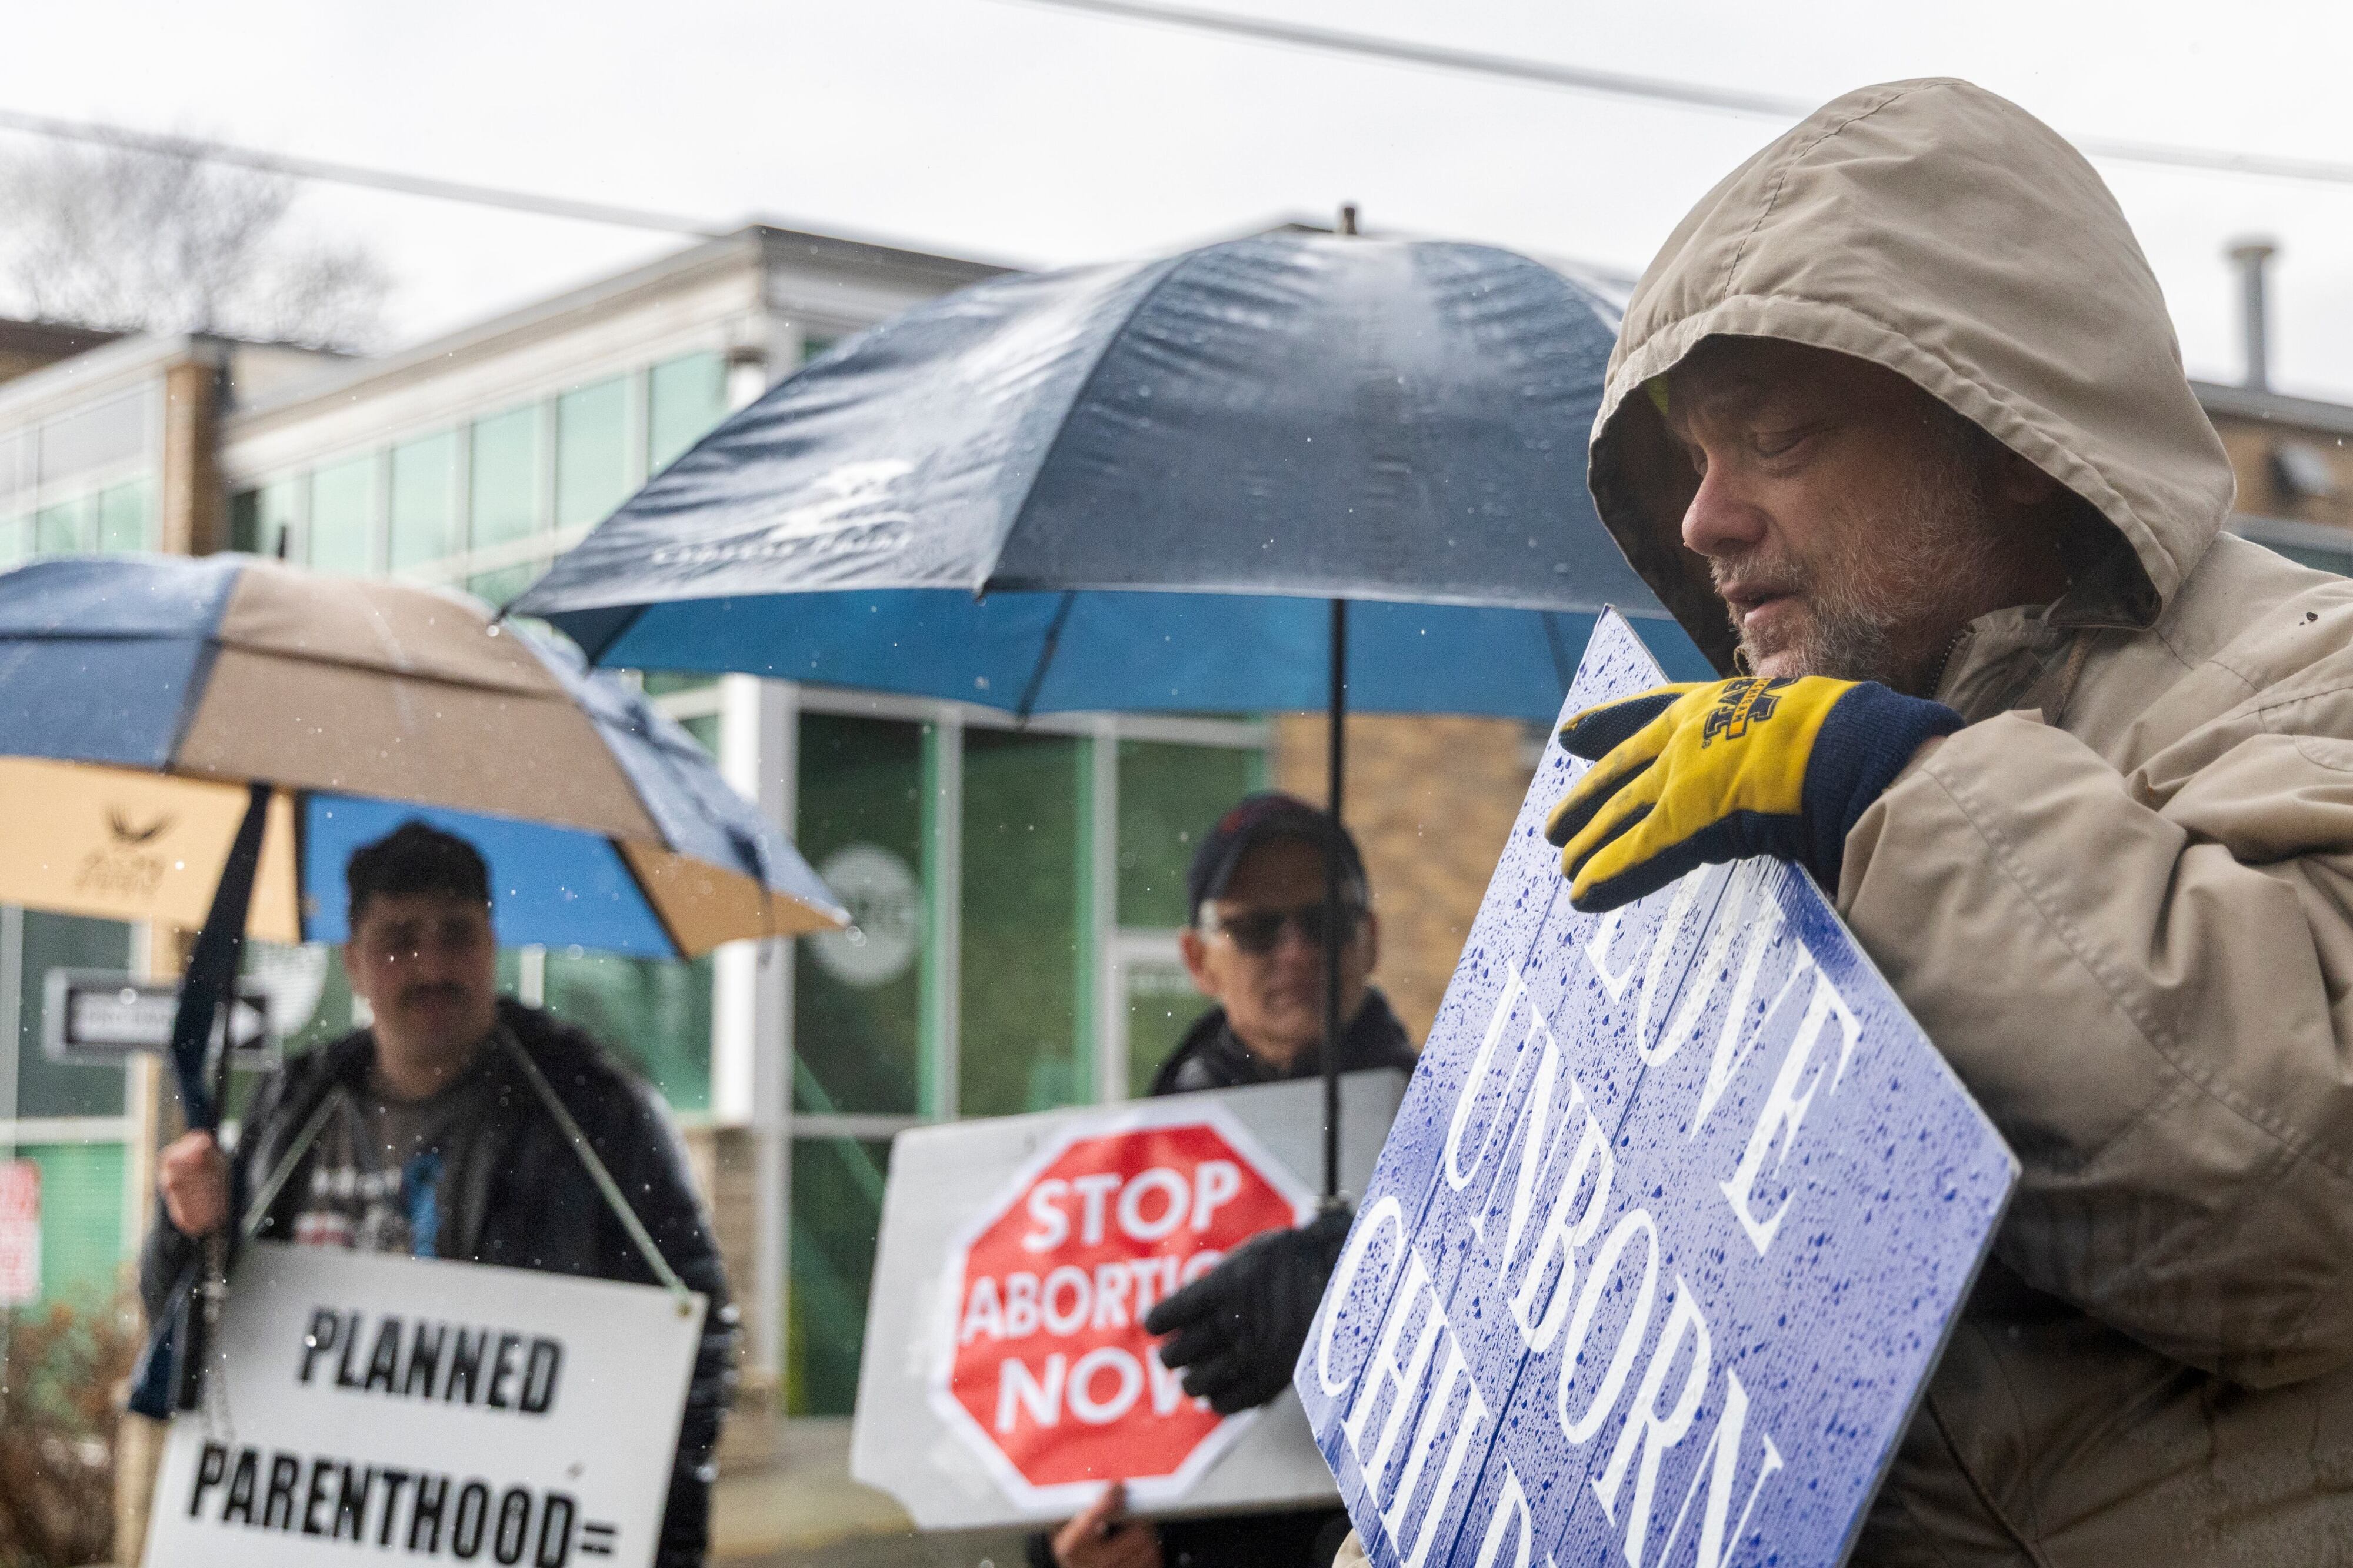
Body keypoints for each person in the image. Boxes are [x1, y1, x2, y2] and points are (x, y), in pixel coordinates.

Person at [1349, 77, 2353, 1567]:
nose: (1702, 519)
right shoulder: (1750, 778)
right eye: (1691, 460)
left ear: (2008, 432)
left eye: (1780, 439)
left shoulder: (2303, 668)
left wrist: (1891, 791)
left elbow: (2292, 1193)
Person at [141, 821, 736, 1568]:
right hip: (313, 1537)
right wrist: (185, 1228)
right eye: (398, 940)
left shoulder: (592, 1109)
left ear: (492, 943)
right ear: (354, 962)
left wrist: (655, 1530)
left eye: (457, 933)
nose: (431, 965)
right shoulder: (291, 1106)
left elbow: (696, 1325)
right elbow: (189, 1333)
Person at [1036, 793, 1417, 1568]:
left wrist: (1351, 1277)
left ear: (1370, 938)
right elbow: (1057, 1409)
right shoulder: (1117, 1180)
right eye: (1255, 928)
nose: (1297, 951)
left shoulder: (1457, 1134)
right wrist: (1066, 1549)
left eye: (1327, 921)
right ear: (1197, 957)